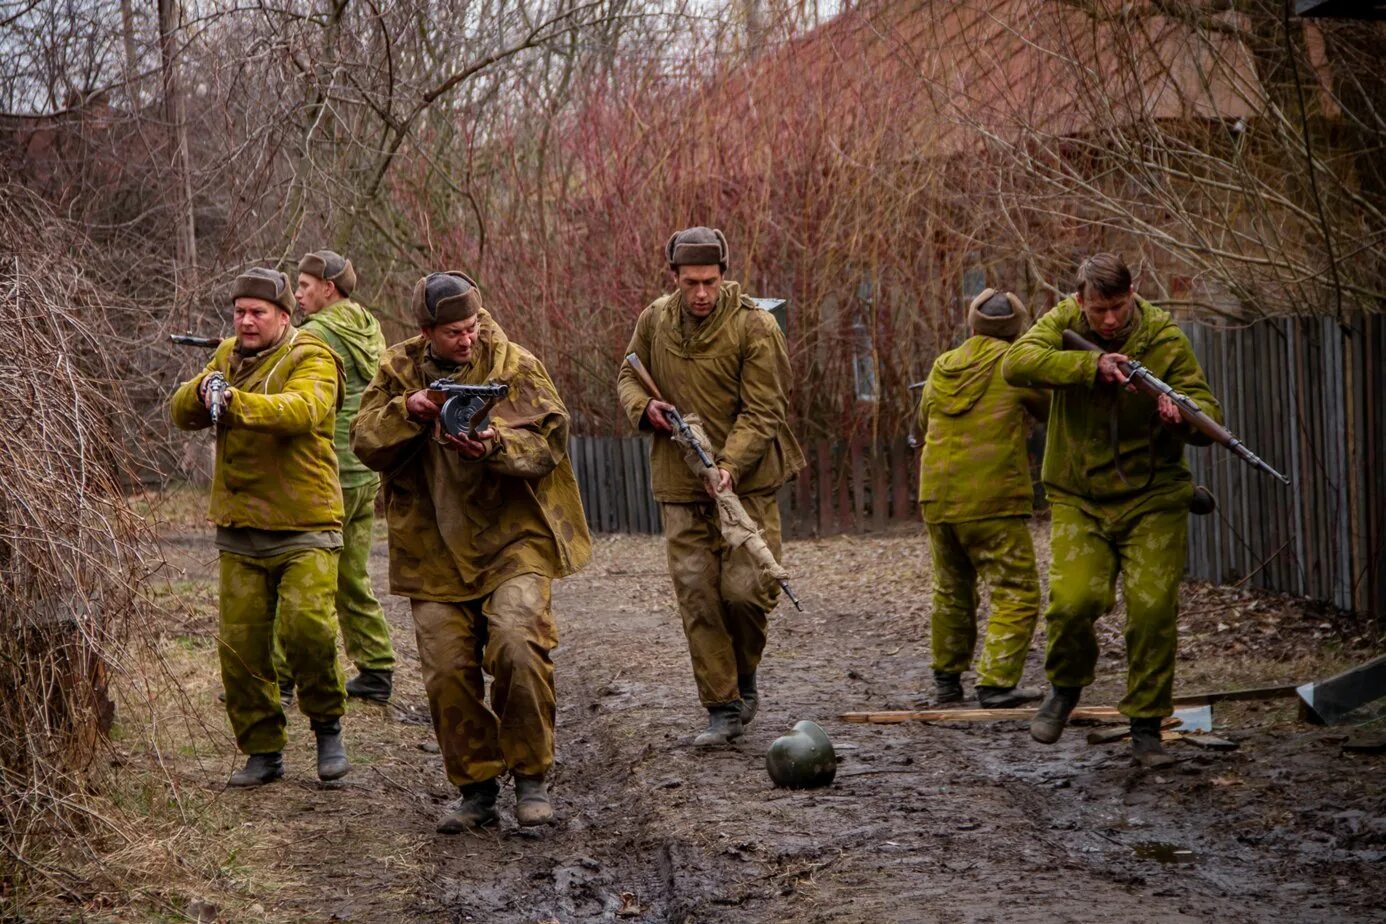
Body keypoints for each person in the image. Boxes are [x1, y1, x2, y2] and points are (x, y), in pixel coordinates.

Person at [352, 271, 591, 831]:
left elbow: (549, 445)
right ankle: (476, 788)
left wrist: (494, 444)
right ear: (427, 331)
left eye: (474, 326)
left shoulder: (514, 365)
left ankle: (531, 776)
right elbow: (364, 442)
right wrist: (409, 411)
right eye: (454, 331)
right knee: (446, 670)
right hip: (432, 545)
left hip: (514, 538)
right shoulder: (396, 370)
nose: (468, 339)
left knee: (516, 643)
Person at [1002, 253, 1223, 768]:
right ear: (1080, 299)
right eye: (1099, 308)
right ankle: (1065, 687)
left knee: (1151, 610)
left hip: (1153, 493)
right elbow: (1017, 362)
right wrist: (1090, 365)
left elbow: (1207, 411)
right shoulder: (1062, 321)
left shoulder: (1162, 337)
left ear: (1133, 294)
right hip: (1079, 494)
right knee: (1074, 601)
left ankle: (1146, 725)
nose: (1108, 320)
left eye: (1118, 307)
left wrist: (1183, 417)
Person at [616, 227, 805, 747]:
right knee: (699, 596)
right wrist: (644, 407)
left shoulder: (755, 327)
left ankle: (744, 679)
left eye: (711, 281)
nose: (702, 293)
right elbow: (628, 375)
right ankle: (721, 706)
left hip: (746, 485)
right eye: (692, 282)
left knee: (747, 593)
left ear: (725, 276)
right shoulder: (654, 320)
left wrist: (728, 466)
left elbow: (766, 407)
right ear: (674, 278)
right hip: (680, 484)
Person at [169, 267, 350, 786]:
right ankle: (263, 750)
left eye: (258, 313)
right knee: (241, 646)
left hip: (306, 522)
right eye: (240, 311)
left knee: (307, 629)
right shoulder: (225, 356)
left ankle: (327, 727)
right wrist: (205, 389)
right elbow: (181, 412)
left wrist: (234, 403)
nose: (246, 322)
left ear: (284, 317)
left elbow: (302, 410)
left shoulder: (311, 356)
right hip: (241, 524)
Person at [275, 249, 397, 705]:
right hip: (366, 469)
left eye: (305, 286)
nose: (298, 294)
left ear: (329, 288)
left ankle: (280, 679)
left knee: (303, 579)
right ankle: (377, 668)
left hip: (329, 473)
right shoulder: (367, 325)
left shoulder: (316, 333)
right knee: (350, 574)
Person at [916, 288, 1047, 708]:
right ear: (1016, 331)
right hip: (993, 500)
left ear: (971, 324)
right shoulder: (1014, 365)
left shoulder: (942, 366)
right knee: (1016, 590)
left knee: (951, 590)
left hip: (937, 498)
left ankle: (946, 683)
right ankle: (996, 682)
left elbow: (923, 419)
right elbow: (1051, 409)